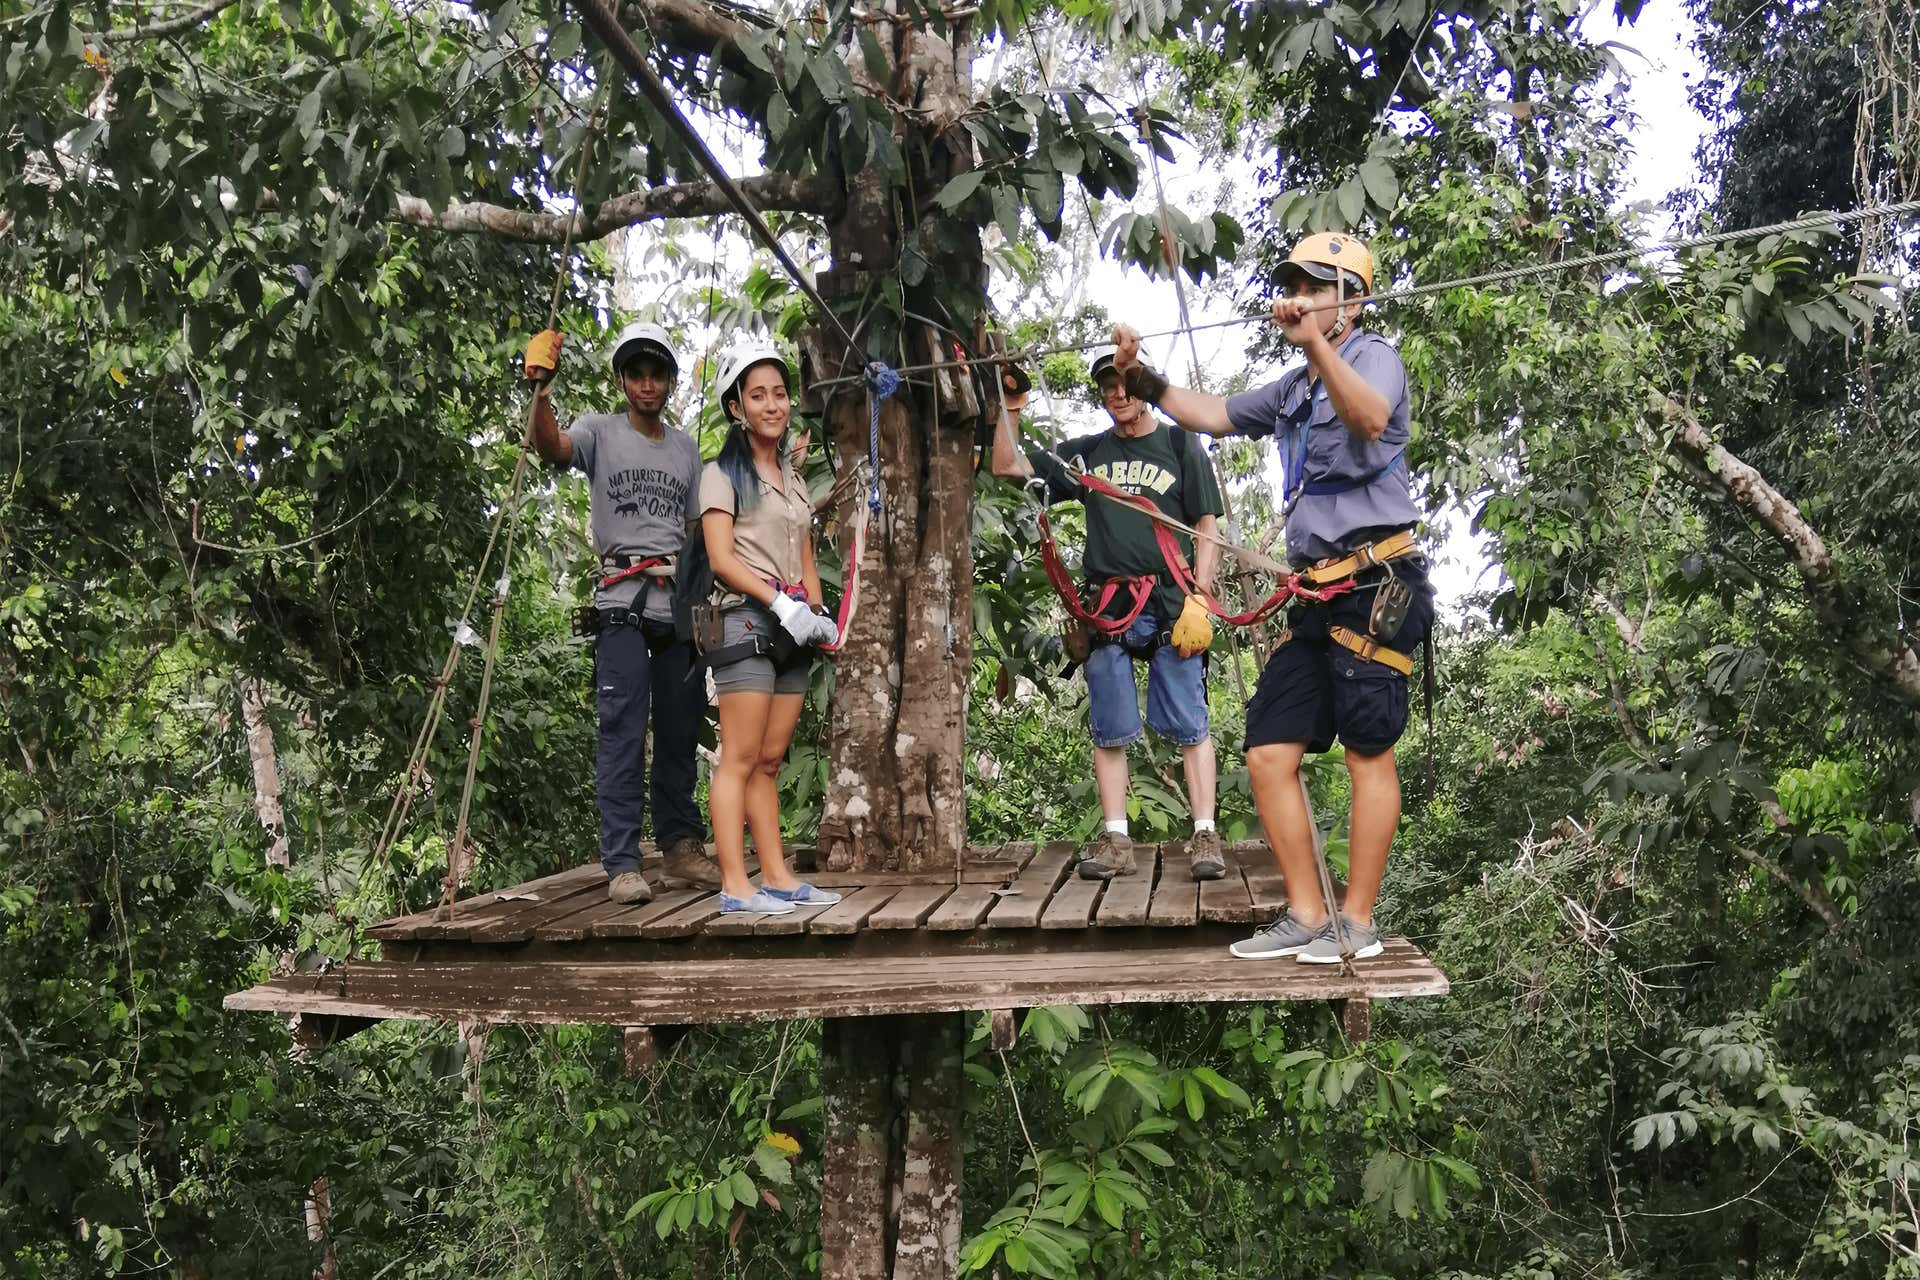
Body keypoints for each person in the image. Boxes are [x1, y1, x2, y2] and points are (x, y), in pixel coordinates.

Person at [1110, 232, 1434, 963]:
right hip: (1318, 597)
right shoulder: (1293, 388)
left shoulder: (1370, 356)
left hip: (1376, 583)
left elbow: (1371, 419)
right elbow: (1215, 413)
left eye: (1317, 286)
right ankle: (1308, 914)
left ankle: (1358, 920)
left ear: (1351, 301)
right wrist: (1147, 382)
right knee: (1266, 750)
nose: (1301, 295)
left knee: (1367, 751)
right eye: (1296, 283)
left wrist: (1316, 344)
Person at [991, 345, 1229, 883]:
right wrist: (1011, 401)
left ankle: (1204, 832)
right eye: (1108, 386)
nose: (1118, 394)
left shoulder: (1178, 443)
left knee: (1190, 720)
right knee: (1110, 725)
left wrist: (1201, 595)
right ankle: (1117, 838)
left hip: (1173, 599)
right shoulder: (1087, 454)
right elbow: (1008, 465)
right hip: (1110, 607)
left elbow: (1207, 525)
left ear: (1141, 386)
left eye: (1125, 382)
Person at [524, 322, 723, 904]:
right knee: (622, 728)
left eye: (655, 374)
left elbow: (693, 534)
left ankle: (682, 847)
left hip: (675, 601)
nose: (645, 384)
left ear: (669, 382)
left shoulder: (685, 447)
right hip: (622, 601)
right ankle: (622, 860)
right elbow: (551, 448)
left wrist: (702, 602)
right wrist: (540, 389)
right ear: (621, 380)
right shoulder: (599, 433)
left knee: (683, 726)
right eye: (635, 374)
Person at [697, 345, 843, 916]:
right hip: (743, 619)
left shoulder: (793, 479)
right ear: (737, 407)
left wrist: (819, 614)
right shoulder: (720, 474)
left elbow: (804, 551)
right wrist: (779, 601)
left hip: (791, 628)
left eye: (779, 394)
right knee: (739, 755)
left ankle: (778, 875)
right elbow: (720, 559)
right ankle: (735, 883)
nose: (772, 405)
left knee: (770, 759)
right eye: (758, 395)